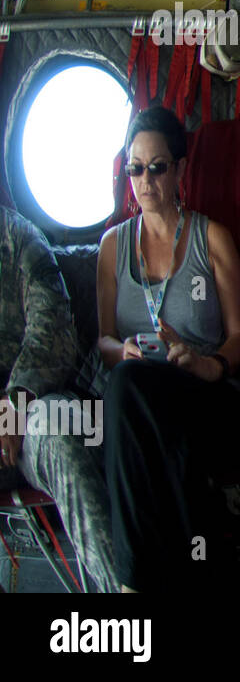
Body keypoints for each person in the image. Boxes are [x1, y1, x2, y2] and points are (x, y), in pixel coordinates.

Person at [97, 105, 240, 592]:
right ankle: (196, 571)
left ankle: (134, 583)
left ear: (181, 169)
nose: (145, 181)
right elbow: (102, 339)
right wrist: (120, 352)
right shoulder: (111, 246)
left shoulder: (213, 238)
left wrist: (207, 364)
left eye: (157, 167)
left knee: (133, 405)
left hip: (205, 389)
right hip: (142, 394)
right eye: (135, 169)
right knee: (129, 387)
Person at [0, 207, 116, 592]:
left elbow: (52, 332)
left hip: (29, 411)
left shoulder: (18, 237)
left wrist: (11, 410)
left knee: (62, 434)